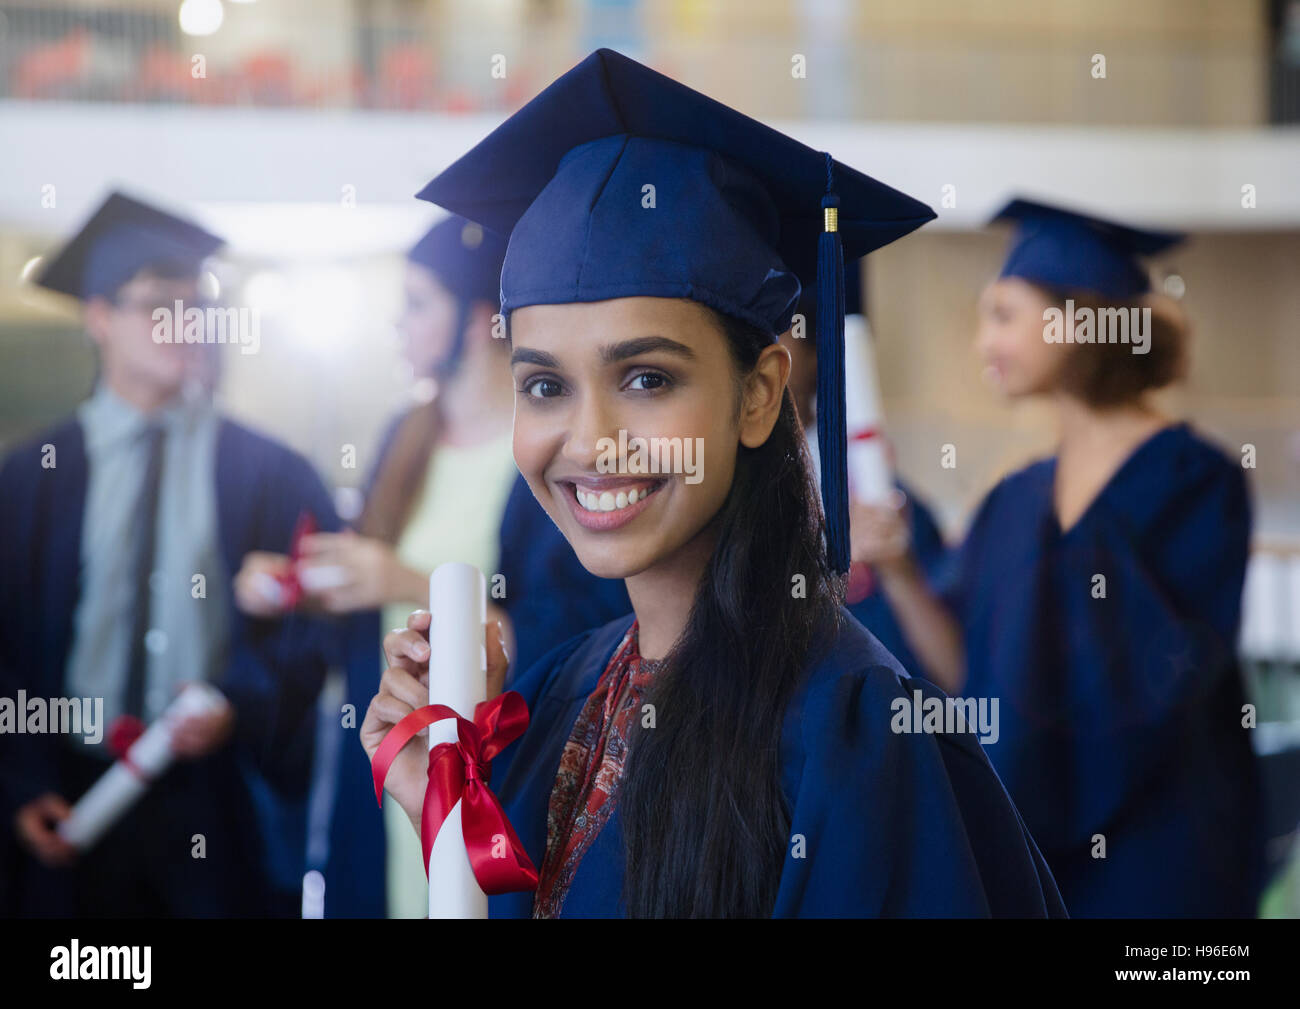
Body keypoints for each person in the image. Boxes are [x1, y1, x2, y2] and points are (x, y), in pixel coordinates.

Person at [363, 50, 1066, 918]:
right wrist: (442, 792)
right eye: (545, 385)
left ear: (760, 392)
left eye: (647, 378)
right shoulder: (560, 693)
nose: (591, 441)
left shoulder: (853, 727)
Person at [853, 196, 1265, 917]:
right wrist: (900, 571)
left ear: (1080, 318)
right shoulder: (1016, 499)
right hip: (1042, 860)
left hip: (1166, 853)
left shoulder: (1196, 480)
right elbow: (968, 676)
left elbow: (1165, 685)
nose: (983, 344)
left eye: (1004, 315)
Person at [0, 191, 340, 916]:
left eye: (197, 304)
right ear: (98, 317)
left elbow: (312, 627)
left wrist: (239, 701)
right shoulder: (32, 477)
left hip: (210, 801)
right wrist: (20, 784)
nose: (186, 324)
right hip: (71, 787)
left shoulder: (271, 473)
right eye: (158, 303)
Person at [780, 276, 949, 680]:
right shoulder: (703, 499)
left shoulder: (884, 500)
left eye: (775, 329)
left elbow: (951, 676)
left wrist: (895, 568)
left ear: (814, 350)